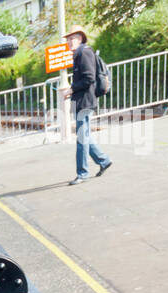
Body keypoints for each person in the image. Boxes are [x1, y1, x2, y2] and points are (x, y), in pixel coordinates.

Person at [62, 24, 112, 184]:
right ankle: (103, 160)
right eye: (68, 39)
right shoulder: (80, 54)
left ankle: (82, 173)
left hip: (85, 101)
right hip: (83, 101)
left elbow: (89, 78)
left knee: (82, 138)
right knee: (85, 136)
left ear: (80, 38)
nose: (69, 42)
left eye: (72, 38)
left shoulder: (84, 53)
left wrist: (71, 89)